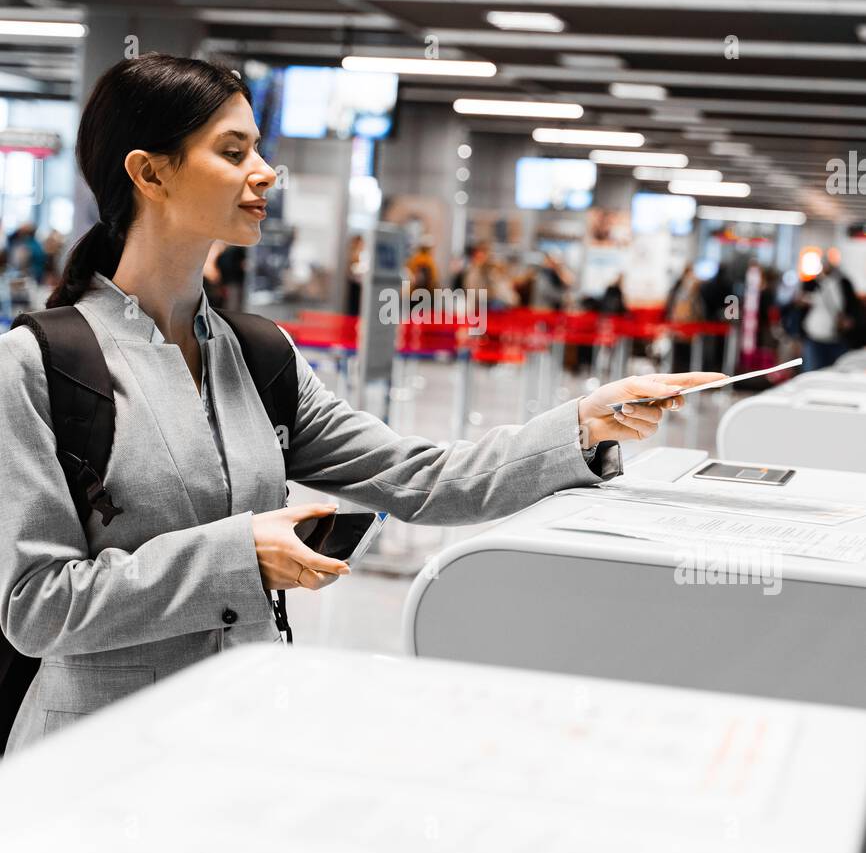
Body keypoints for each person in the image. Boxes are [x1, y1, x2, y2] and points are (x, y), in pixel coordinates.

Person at [0, 52, 722, 755]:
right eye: (233, 151)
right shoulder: (39, 366)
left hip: (240, 738)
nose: (264, 173)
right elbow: (36, 606)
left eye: (260, 148)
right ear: (149, 171)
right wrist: (239, 555)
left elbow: (422, 477)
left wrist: (581, 425)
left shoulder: (256, 355)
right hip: (96, 758)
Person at [799, 255, 865, 372]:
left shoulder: (843, 283)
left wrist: (850, 320)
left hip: (838, 337)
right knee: (813, 373)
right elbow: (801, 308)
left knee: (837, 372)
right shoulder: (812, 283)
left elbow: (854, 307)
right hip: (815, 337)